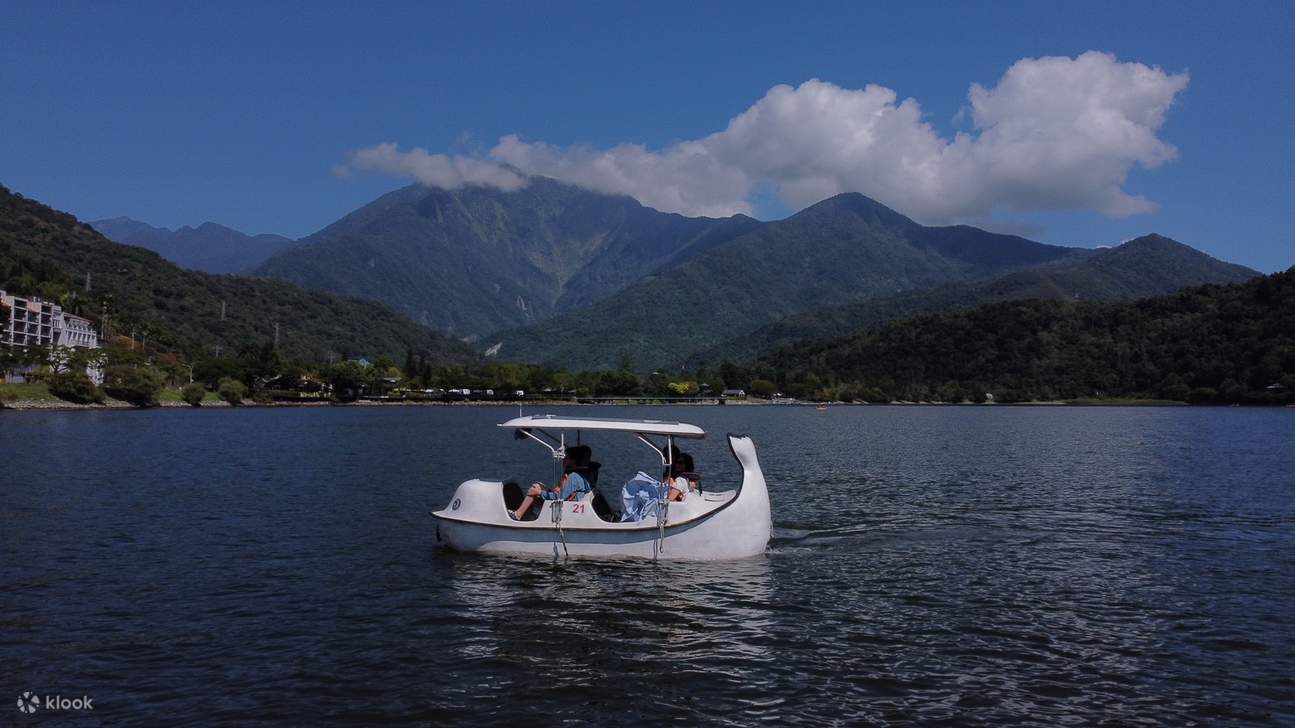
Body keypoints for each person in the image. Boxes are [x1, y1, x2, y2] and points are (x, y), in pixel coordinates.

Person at [511, 445, 593, 520]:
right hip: (569, 505)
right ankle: (526, 516)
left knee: (535, 489)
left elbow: (560, 498)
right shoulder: (583, 475)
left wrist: (539, 492)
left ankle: (518, 515)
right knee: (538, 486)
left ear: (573, 460)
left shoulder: (574, 476)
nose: (564, 460)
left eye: (566, 458)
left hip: (566, 509)